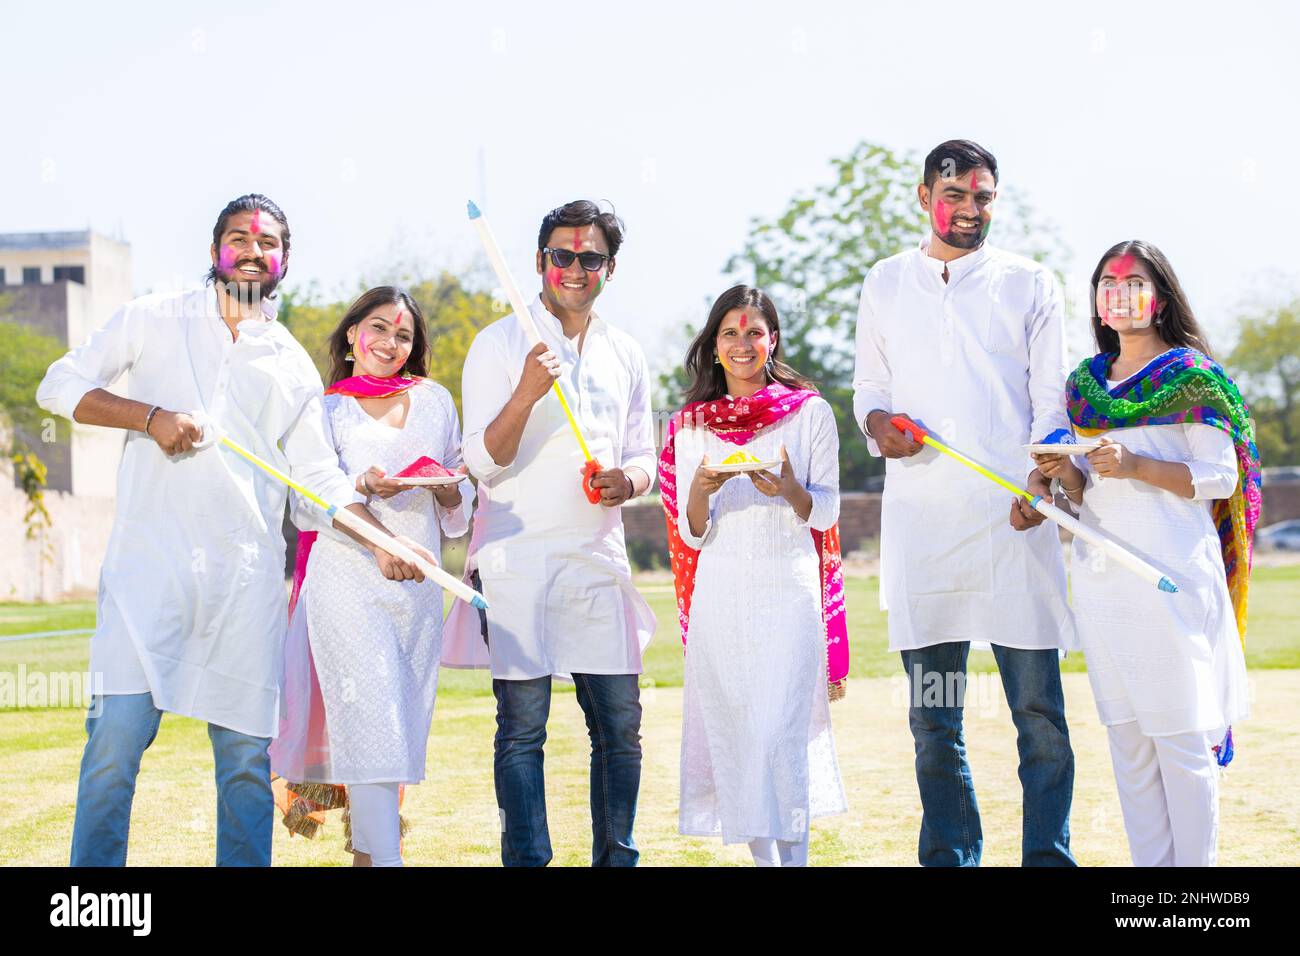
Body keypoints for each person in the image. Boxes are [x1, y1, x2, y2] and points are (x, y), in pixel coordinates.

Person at [36, 195, 432, 867]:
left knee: (247, 771)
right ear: (215, 249)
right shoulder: (151, 318)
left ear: (284, 260)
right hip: (146, 579)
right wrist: (150, 416)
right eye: (238, 237)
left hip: (243, 595)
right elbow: (57, 386)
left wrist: (383, 540)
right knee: (112, 752)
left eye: (269, 241)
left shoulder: (289, 363)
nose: (253, 249)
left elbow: (317, 488)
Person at [852, 140, 1077, 866]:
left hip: (1016, 531)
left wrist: (1041, 486)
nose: (970, 210)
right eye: (955, 196)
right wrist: (880, 428)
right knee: (935, 721)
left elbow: (1052, 406)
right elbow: (869, 394)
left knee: (1038, 718)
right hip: (927, 542)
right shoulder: (886, 283)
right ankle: (951, 856)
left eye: (983, 197)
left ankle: (1047, 856)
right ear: (925, 198)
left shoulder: (1031, 283)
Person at [443, 200, 656, 866]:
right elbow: (480, 461)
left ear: (609, 268)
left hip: (599, 557)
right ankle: (527, 860)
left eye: (588, 257)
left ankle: (616, 858)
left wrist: (630, 482)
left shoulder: (626, 351)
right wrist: (528, 391)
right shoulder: (499, 344)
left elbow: (645, 455)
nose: (573, 268)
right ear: (539, 263)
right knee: (522, 731)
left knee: (620, 727)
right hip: (516, 560)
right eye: (560, 255)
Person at [1032, 240, 1257, 867]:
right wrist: (1061, 475)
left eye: (1134, 281)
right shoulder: (1081, 385)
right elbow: (1085, 490)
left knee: (1181, 738)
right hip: (1103, 580)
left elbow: (1219, 478)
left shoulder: (1194, 376)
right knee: (1129, 742)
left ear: (1159, 296)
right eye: (1108, 281)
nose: (1119, 292)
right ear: (1097, 300)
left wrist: (1135, 464)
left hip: (1172, 573)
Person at [269, 287, 472, 867]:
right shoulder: (325, 407)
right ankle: (387, 862)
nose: (389, 343)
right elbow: (305, 506)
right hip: (345, 584)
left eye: (403, 335)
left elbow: (457, 522)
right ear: (352, 334)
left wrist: (448, 487)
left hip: (416, 591)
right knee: (373, 724)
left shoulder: (435, 402)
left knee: (396, 730)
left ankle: (368, 855)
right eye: (378, 329)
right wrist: (362, 487)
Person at [659, 285, 848, 867]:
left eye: (754, 333)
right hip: (722, 597)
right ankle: (765, 861)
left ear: (773, 341)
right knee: (739, 735)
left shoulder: (808, 411)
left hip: (788, 594)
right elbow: (690, 534)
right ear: (714, 346)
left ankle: (795, 861)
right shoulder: (689, 426)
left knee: (781, 734)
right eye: (730, 334)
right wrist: (698, 490)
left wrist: (790, 488)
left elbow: (829, 511)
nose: (743, 345)